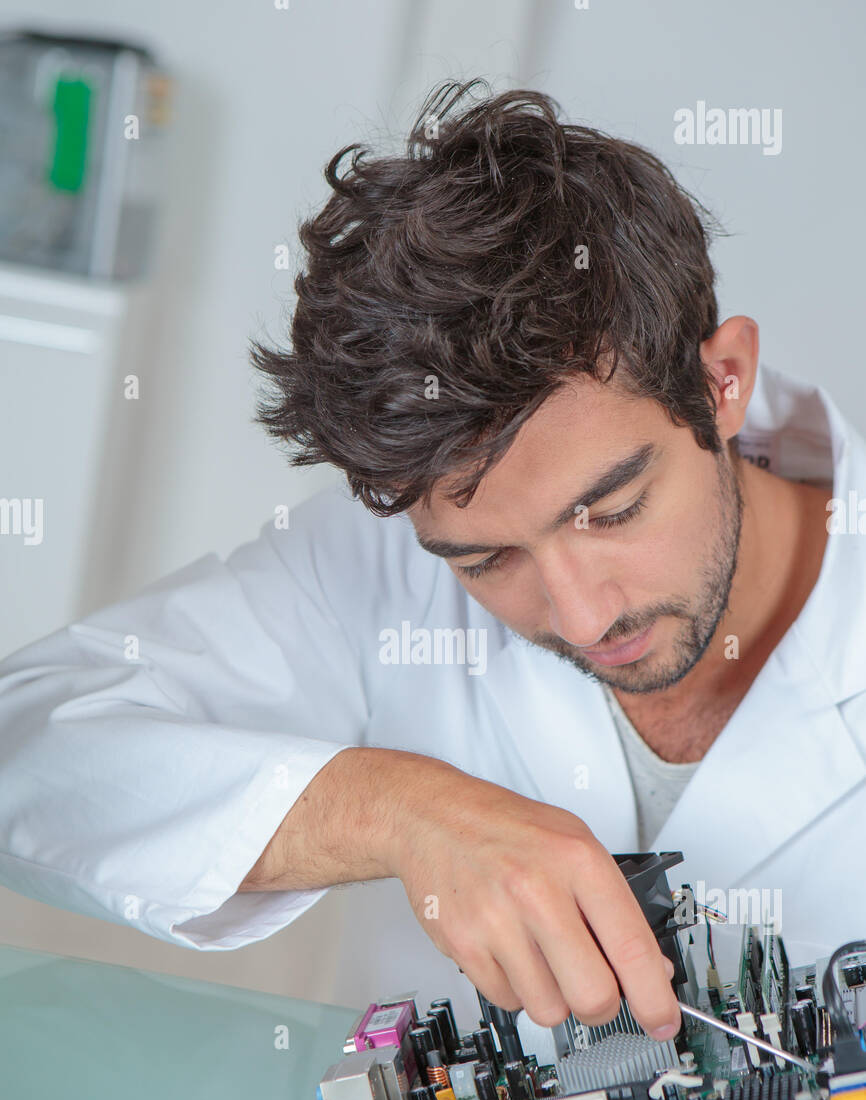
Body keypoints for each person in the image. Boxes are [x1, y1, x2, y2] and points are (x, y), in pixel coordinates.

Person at [1, 80, 862, 1044]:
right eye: (486, 560)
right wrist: (402, 813)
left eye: (612, 510)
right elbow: (25, 749)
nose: (579, 618)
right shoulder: (374, 567)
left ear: (722, 382)